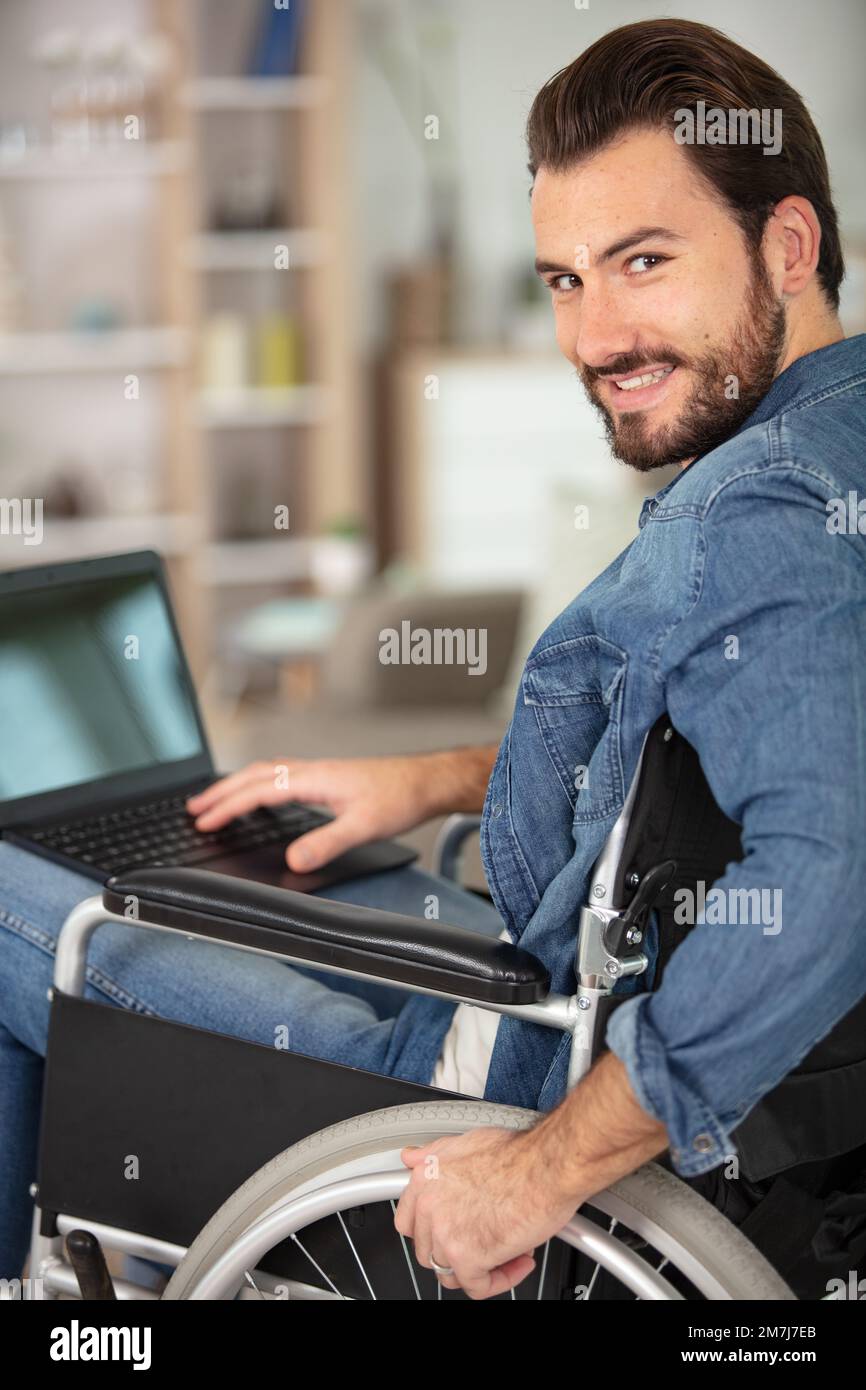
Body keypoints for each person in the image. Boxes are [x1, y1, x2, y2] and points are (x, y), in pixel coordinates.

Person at [2, 16, 865, 1299]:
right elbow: (689, 763)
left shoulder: (759, 517)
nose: (594, 338)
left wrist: (529, 1177)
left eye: (641, 261)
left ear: (784, 245)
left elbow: (828, 866)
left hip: (455, 1103)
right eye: (565, 280)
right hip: (545, 998)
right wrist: (436, 777)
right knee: (285, 873)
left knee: (19, 898)